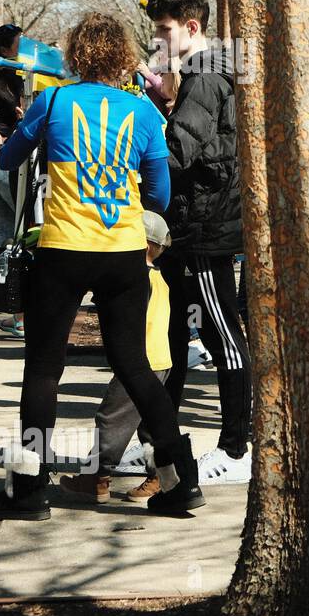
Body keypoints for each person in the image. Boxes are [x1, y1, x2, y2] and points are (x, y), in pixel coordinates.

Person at [0, 12, 204, 519]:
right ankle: (179, 479)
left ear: (76, 55)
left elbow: (8, 161)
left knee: (44, 368)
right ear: (119, 56)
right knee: (134, 365)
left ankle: (29, 489)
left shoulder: (53, 100)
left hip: (63, 249)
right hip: (123, 252)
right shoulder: (142, 114)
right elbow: (158, 193)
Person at [146, 0, 253, 486]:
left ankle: (235, 447)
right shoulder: (204, 73)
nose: (159, 42)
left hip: (207, 223)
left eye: (165, 31)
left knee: (222, 332)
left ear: (192, 27)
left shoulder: (205, 76)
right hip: (201, 217)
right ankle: (158, 444)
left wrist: (138, 157)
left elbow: (179, 153)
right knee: (185, 328)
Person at [58, 212, 175, 504]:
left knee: (112, 418)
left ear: (144, 244)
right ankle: (159, 476)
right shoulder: (160, 278)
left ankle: (96, 477)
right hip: (162, 360)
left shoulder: (137, 282)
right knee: (149, 424)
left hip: (140, 362)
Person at [0, 23, 25, 338]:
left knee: (9, 232)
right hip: (2, 158)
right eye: (17, 42)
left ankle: (14, 311)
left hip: (8, 153)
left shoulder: (14, 77)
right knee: (13, 229)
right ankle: (16, 313)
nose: (21, 46)